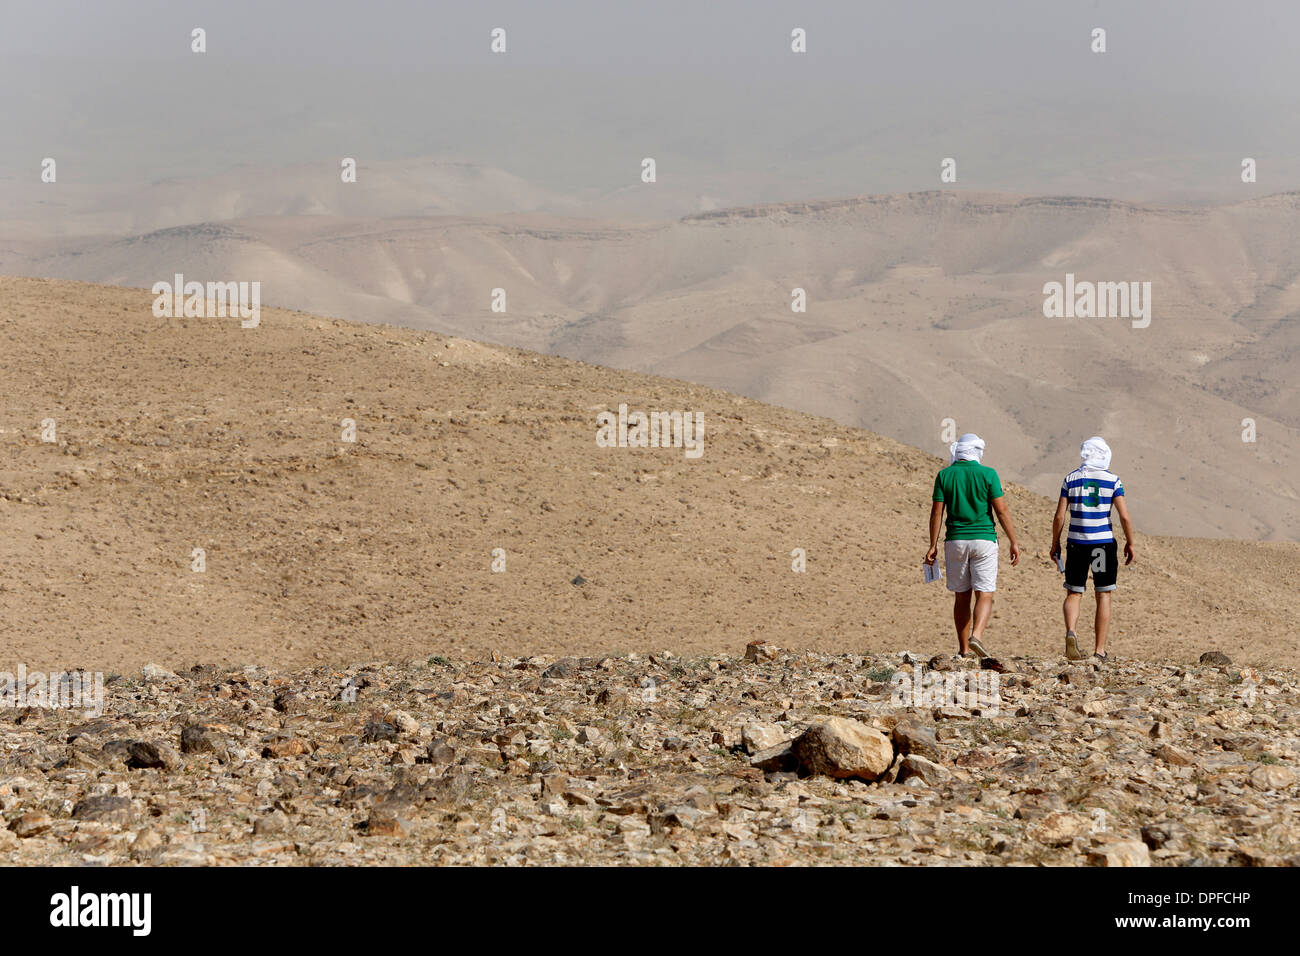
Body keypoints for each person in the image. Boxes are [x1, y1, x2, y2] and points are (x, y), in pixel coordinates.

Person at [924, 433, 1021, 657]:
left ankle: (964, 650)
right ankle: (976, 636)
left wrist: (932, 544)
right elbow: (1002, 510)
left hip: (955, 540)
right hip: (984, 540)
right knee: (984, 594)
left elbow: (937, 512)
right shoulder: (988, 474)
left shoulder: (944, 475)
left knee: (961, 596)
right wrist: (1014, 541)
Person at [1049, 436, 1136, 661]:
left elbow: (1059, 516)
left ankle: (1071, 631)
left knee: (1074, 591)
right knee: (1103, 593)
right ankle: (1099, 650)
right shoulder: (1113, 480)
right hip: (1102, 545)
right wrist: (1130, 542)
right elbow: (1124, 516)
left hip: (1077, 543)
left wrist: (1055, 542)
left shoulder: (1071, 479)